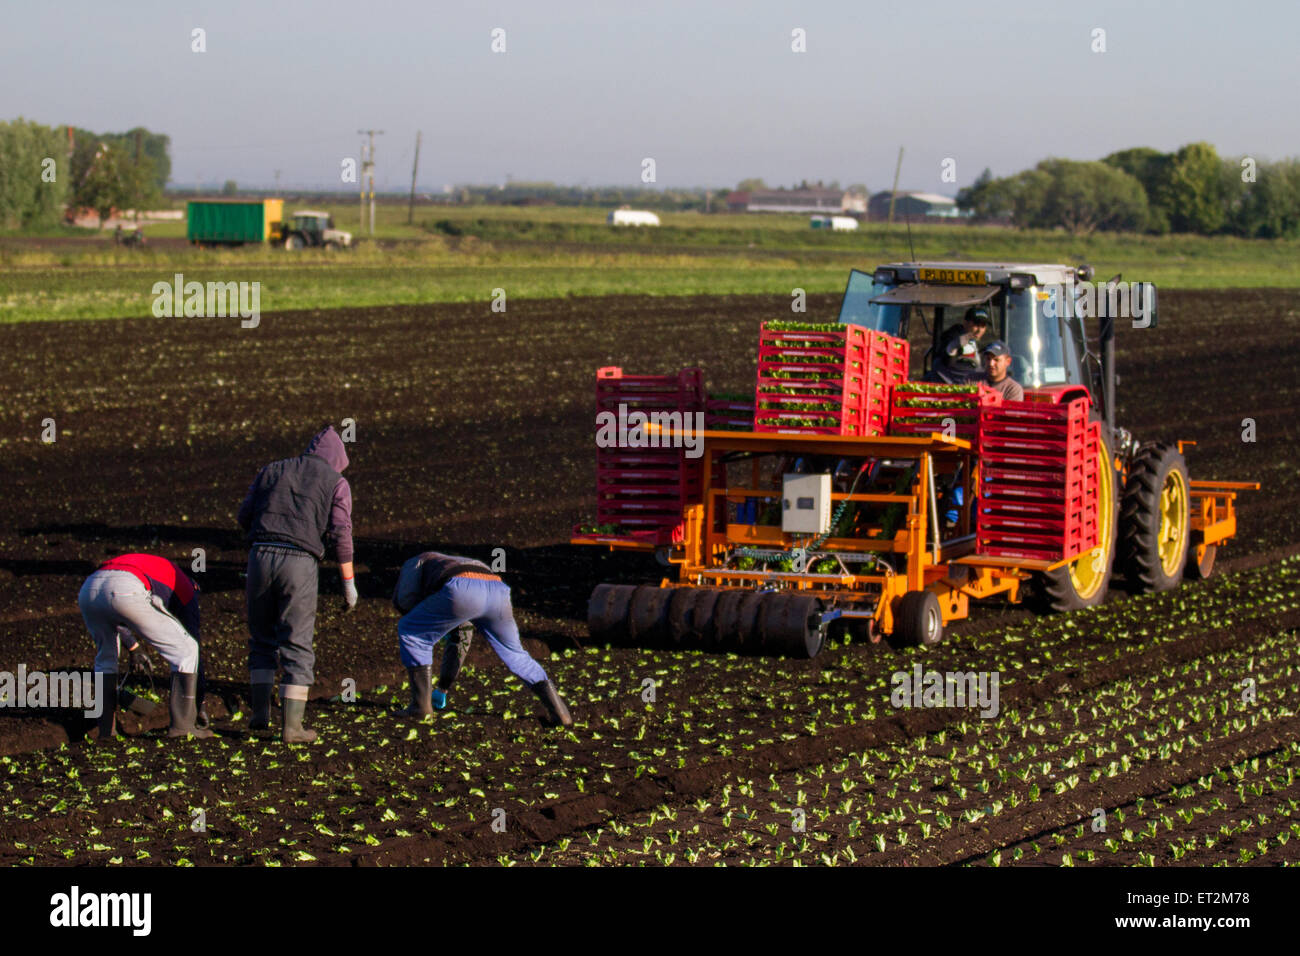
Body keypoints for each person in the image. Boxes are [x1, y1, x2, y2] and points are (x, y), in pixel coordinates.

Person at [237, 424, 356, 743]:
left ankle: (259, 715)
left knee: (261, 639)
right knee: (297, 642)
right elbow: (341, 533)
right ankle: (292, 728)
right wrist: (349, 584)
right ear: (336, 459)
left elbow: (244, 514)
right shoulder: (336, 482)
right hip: (299, 563)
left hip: (259, 557)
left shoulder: (271, 470)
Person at [391, 551, 572, 726]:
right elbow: (462, 637)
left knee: (411, 630)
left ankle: (420, 706)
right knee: (516, 654)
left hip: (461, 588)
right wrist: (443, 688)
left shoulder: (416, 561)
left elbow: (404, 601)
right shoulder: (452, 561)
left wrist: (422, 621)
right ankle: (560, 712)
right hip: (497, 590)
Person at [77, 553, 212, 740]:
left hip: (89, 588)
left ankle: (106, 730)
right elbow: (193, 640)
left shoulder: (158, 567)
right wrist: (200, 700)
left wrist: (133, 647)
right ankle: (183, 728)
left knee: (106, 658)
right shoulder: (187, 590)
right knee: (187, 650)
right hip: (126, 586)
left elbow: (114, 609)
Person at [930, 307, 990, 383]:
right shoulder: (953, 337)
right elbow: (947, 359)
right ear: (965, 323)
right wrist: (953, 346)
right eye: (976, 325)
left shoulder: (977, 343)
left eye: (983, 326)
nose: (979, 330)